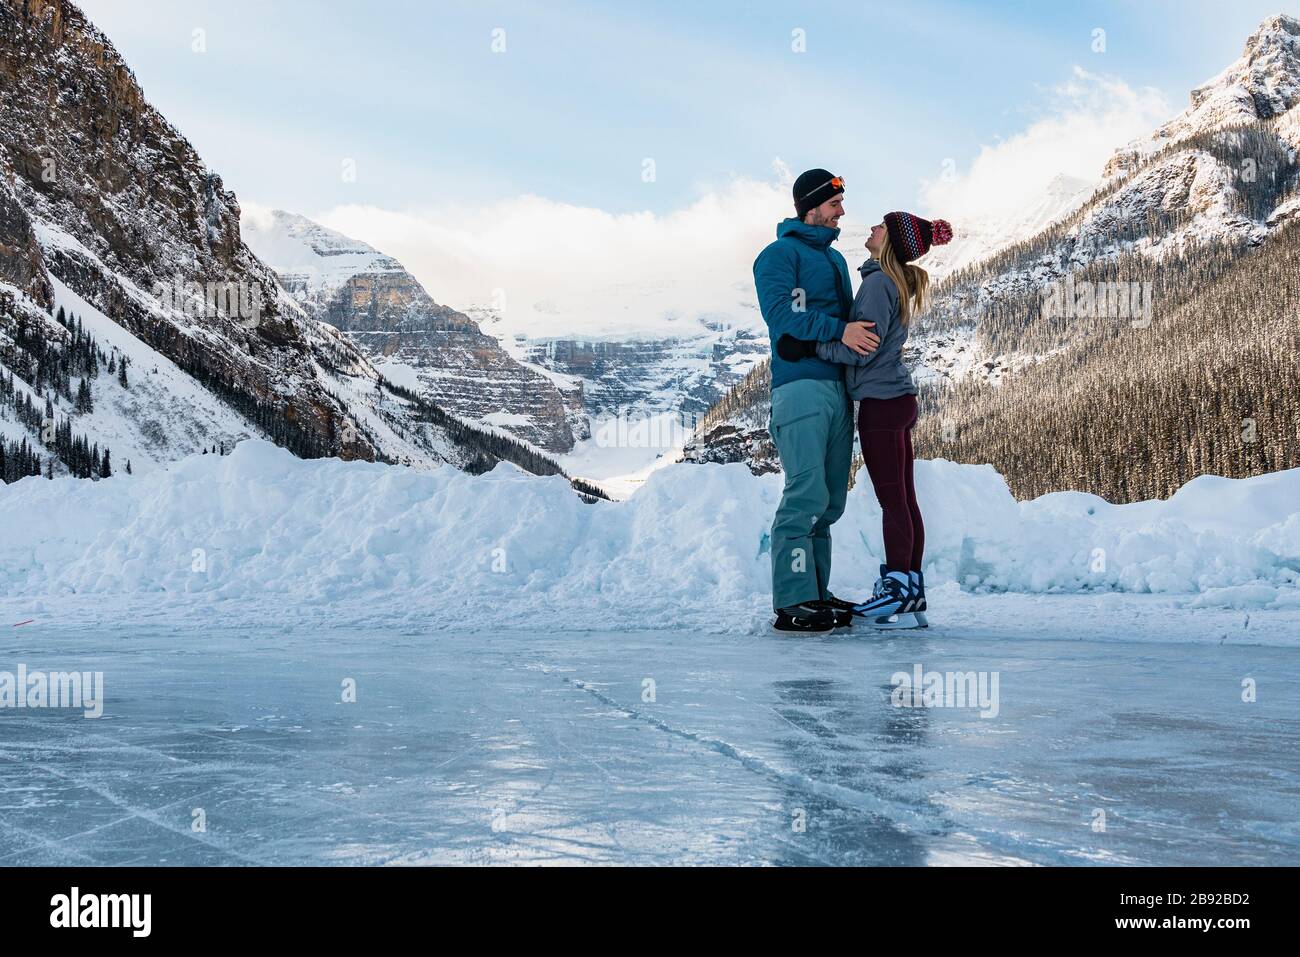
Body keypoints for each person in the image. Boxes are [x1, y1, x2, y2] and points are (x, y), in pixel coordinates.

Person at [778, 211, 952, 629]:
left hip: (881, 403)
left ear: (889, 241)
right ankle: (909, 588)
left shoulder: (876, 283)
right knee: (904, 499)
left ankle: (897, 590)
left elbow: (862, 347)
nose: (872, 229)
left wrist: (811, 349)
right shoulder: (889, 282)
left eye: (881, 227)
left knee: (893, 501)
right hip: (895, 400)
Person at [753, 169, 880, 633]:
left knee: (828, 501)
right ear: (810, 206)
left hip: (837, 391)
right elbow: (783, 314)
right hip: (800, 387)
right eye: (834, 204)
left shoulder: (835, 262)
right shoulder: (778, 255)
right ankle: (793, 601)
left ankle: (815, 592)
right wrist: (837, 331)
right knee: (804, 494)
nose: (841, 212)